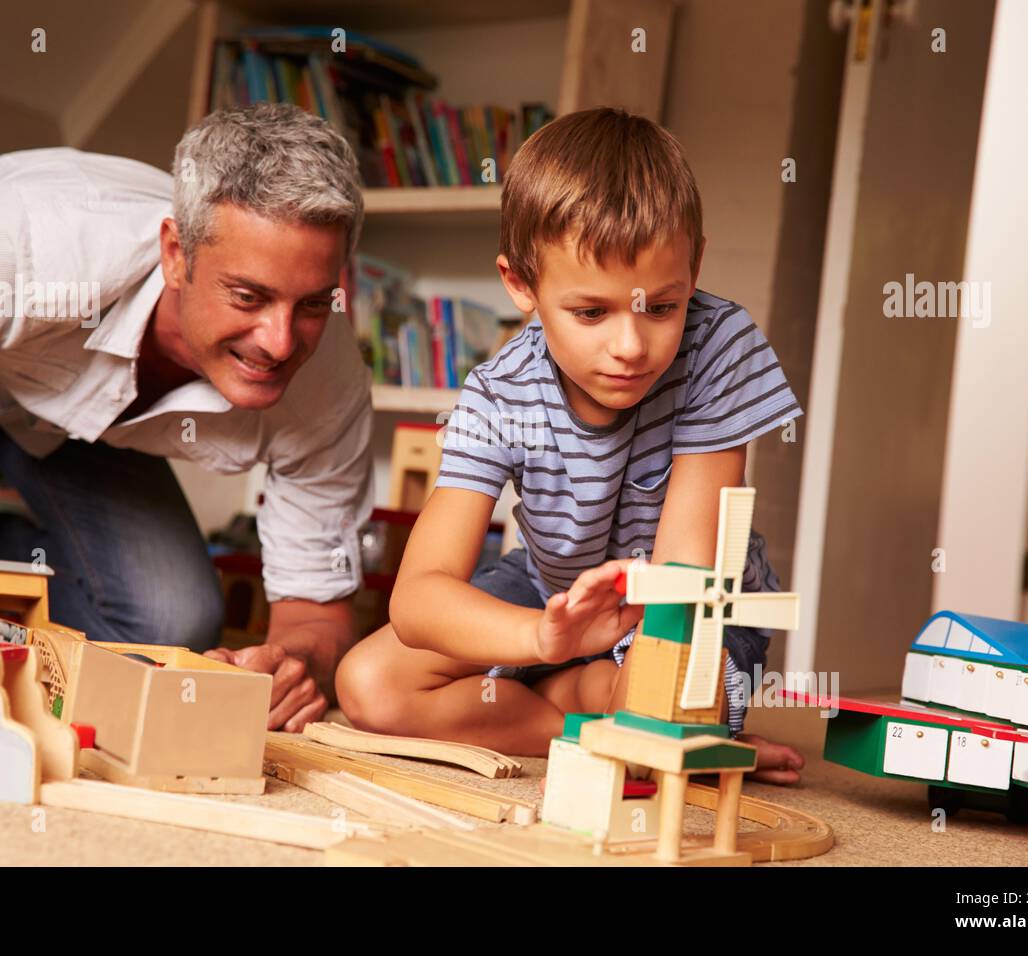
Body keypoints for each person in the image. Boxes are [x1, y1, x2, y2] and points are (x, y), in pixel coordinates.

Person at [0, 103, 372, 732]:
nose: (281, 344)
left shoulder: (330, 383)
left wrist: (298, 662)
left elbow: (316, 607)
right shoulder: (12, 251)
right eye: (248, 297)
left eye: (311, 303)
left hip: (65, 402)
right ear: (176, 253)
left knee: (170, 623)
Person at [336, 107, 806, 782]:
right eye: (591, 312)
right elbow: (419, 597)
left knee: (665, 698)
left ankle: (602, 710)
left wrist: (650, 699)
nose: (630, 347)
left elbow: (684, 573)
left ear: (694, 264)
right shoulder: (497, 392)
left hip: (680, 613)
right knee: (369, 684)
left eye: (662, 307)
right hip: (551, 595)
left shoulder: (719, 347)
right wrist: (542, 637)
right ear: (521, 284)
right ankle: (580, 718)